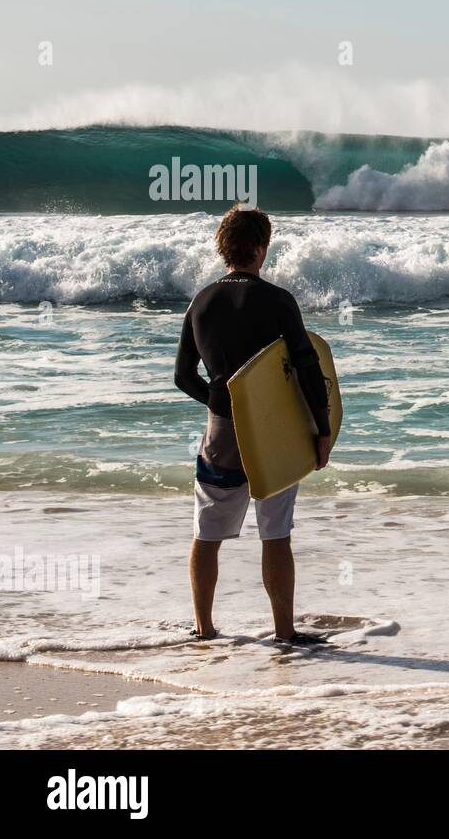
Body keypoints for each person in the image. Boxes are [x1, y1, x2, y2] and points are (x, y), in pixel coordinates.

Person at [174, 206, 333, 645]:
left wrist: (223, 403)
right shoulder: (278, 300)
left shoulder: (201, 302)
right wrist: (322, 429)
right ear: (261, 248)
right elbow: (307, 368)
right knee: (275, 533)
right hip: (273, 432)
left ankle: (204, 628)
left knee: (207, 534)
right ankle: (285, 632)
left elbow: (183, 376)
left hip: (220, 433)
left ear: (223, 249)